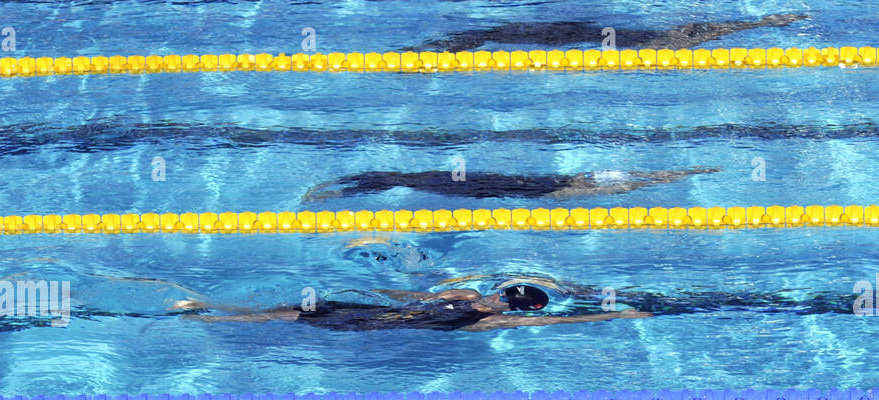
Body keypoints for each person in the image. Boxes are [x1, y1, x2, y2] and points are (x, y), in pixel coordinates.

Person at [172, 282, 650, 330]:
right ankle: (208, 308)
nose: (493, 300)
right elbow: (412, 297)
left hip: (370, 323)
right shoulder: (473, 309)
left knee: (287, 316)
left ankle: (208, 311)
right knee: (286, 312)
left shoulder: (484, 313)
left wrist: (616, 314)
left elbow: (571, 321)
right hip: (369, 319)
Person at [301, 167, 718, 204]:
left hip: (493, 186)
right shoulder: (556, 189)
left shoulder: (420, 182)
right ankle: (686, 173)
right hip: (519, 187)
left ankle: (685, 173)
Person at [419, 12, 807, 50]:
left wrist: (762, 23)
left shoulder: (666, 40)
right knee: (502, 33)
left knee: (503, 33)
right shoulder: (665, 42)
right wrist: (761, 23)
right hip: (586, 34)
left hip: (582, 32)